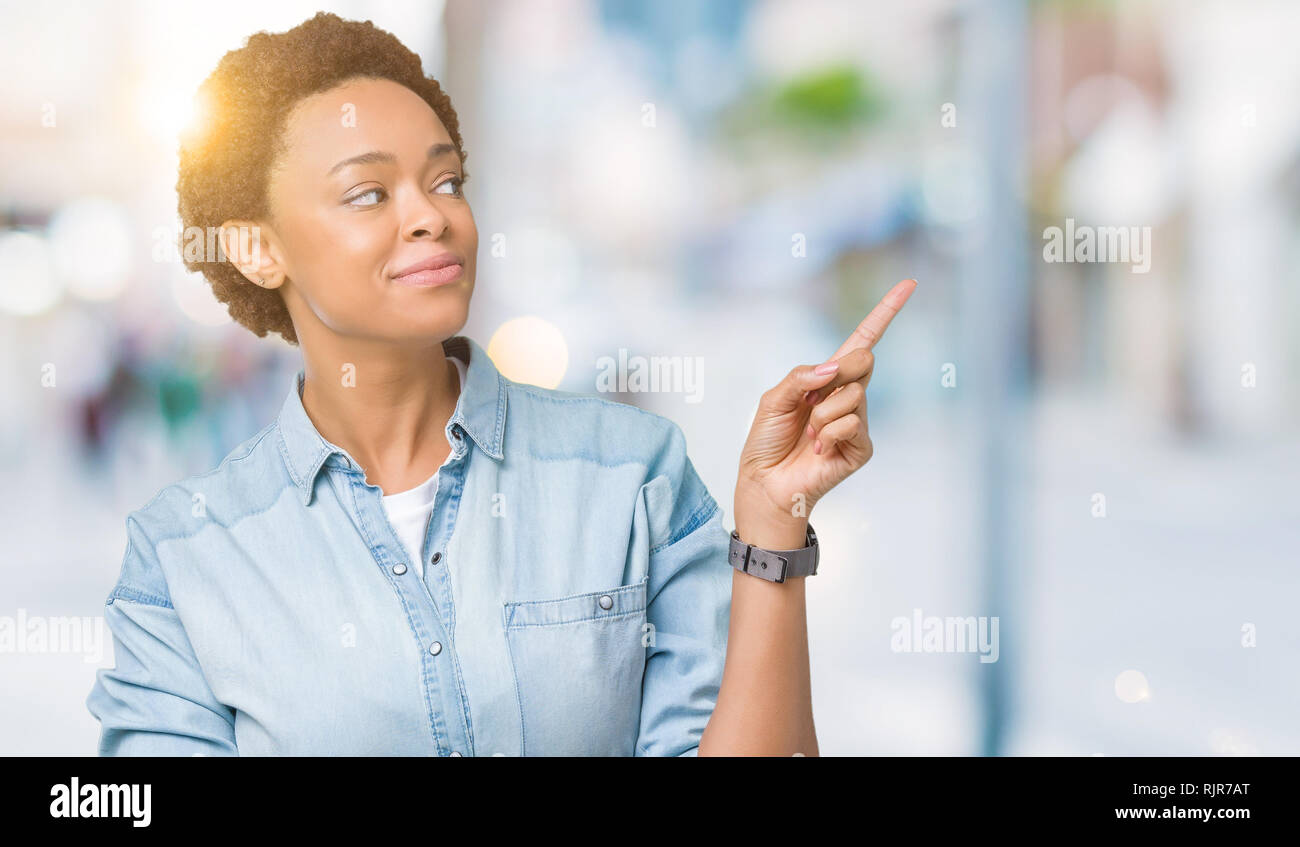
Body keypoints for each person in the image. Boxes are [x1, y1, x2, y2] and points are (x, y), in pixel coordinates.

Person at [85, 12, 915, 756]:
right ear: (258, 248)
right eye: (369, 192)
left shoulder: (633, 474)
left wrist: (772, 525)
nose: (432, 215)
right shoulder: (184, 559)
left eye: (445, 181)